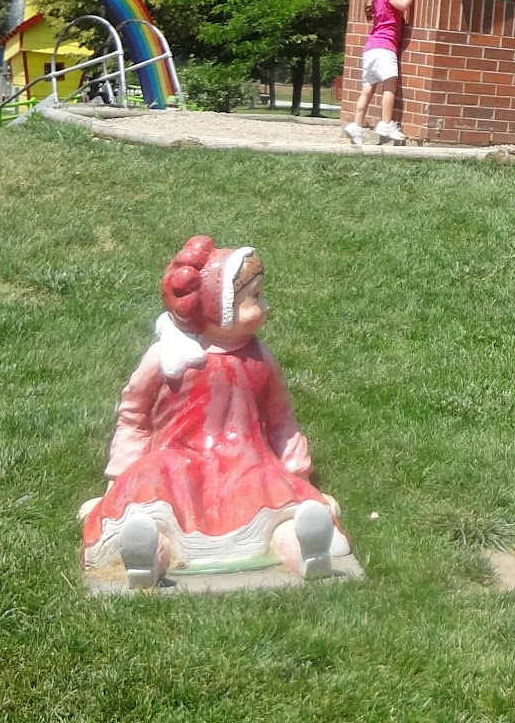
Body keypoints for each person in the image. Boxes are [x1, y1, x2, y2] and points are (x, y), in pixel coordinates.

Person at [80, 237, 350, 588]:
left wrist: (299, 474)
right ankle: (148, 554)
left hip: (247, 461)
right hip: (173, 461)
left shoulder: (260, 358)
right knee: (150, 507)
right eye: (253, 298)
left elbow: (281, 418)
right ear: (214, 308)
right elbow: (134, 417)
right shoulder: (165, 358)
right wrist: (117, 481)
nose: (265, 307)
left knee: (278, 509)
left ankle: (302, 548)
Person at [343, 0, 426, 147]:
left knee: (368, 89)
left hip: (370, 48)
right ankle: (386, 123)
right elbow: (403, 5)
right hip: (384, 47)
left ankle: (356, 125)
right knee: (390, 85)